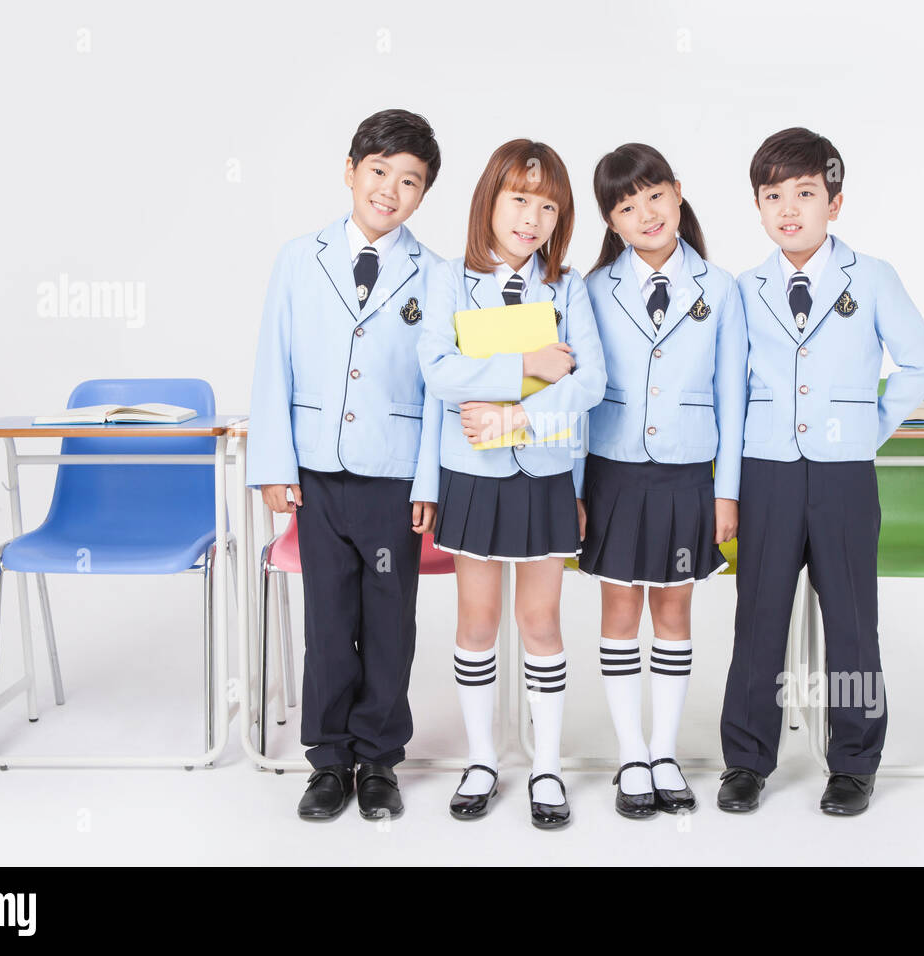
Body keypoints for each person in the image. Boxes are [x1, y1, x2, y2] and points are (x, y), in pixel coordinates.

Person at [719, 127, 924, 816]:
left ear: (834, 203)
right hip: (766, 472)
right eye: (773, 194)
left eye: (806, 193)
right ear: (758, 207)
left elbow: (921, 365)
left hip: (844, 476)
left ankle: (853, 762)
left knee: (851, 622)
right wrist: (726, 490)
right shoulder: (742, 288)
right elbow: (729, 395)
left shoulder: (871, 277)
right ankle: (748, 761)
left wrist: (867, 425)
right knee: (758, 620)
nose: (790, 208)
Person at [246, 108, 444, 822]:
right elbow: (275, 363)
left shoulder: (437, 274)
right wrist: (273, 462)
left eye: (410, 181)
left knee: (391, 619)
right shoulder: (300, 258)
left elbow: (441, 390)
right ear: (351, 171)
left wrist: (431, 481)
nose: (390, 190)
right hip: (317, 474)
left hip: (393, 477)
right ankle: (328, 759)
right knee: (328, 620)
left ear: (424, 195)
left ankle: (380, 757)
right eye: (379, 171)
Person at [417, 138, 606, 829]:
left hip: (546, 471)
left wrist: (515, 420)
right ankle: (482, 759)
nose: (531, 219)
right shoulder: (448, 280)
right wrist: (523, 362)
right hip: (473, 476)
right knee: (476, 618)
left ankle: (547, 766)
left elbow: (592, 380)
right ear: (490, 202)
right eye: (519, 200)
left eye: (548, 207)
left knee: (540, 619)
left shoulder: (570, 286)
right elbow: (437, 370)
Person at [581, 143, 745, 818]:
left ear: (678, 194)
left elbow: (733, 398)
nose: (645, 213)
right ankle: (631, 757)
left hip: (686, 476)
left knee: (674, 610)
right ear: (611, 223)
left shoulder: (722, 288)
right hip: (612, 474)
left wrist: (726, 489)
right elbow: (574, 394)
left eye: (654, 196)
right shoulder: (591, 290)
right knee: (620, 609)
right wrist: (571, 491)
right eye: (626, 205)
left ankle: (665, 750)